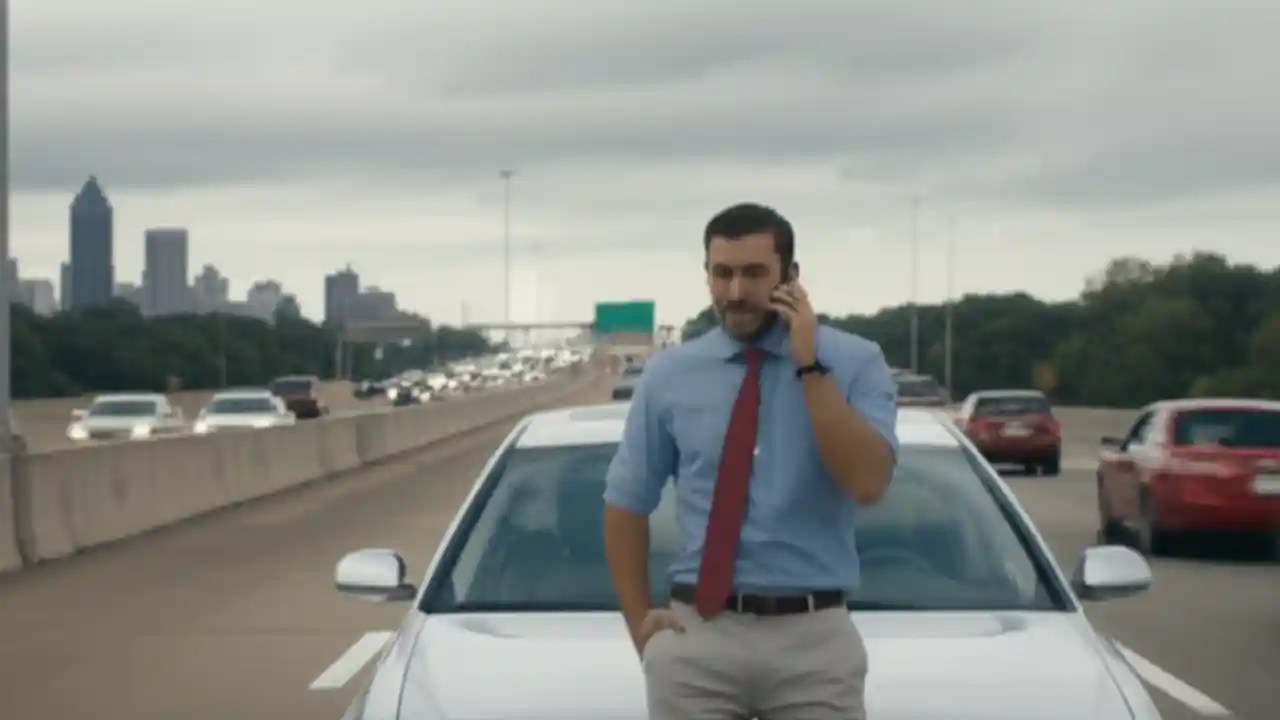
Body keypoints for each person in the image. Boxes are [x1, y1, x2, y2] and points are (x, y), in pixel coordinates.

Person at [602, 202, 899, 719]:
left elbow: (867, 483)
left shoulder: (856, 362)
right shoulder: (668, 376)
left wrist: (809, 365)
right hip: (698, 635)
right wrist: (642, 633)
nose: (736, 292)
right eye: (723, 274)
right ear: (707, 276)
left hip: (814, 640)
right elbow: (625, 504)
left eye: (755, 273)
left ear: (792, 277)